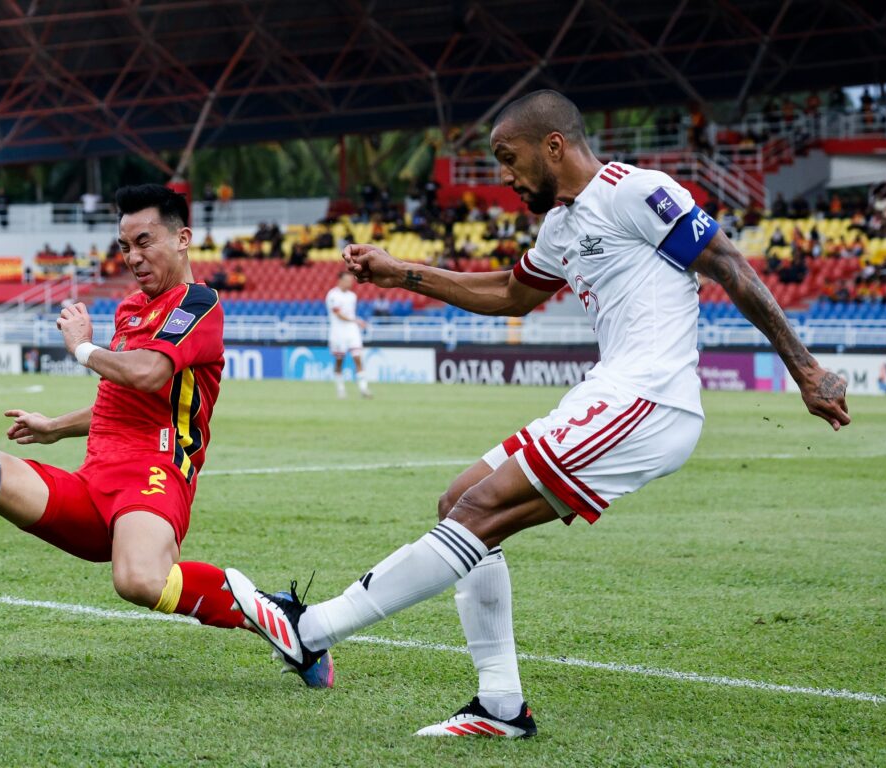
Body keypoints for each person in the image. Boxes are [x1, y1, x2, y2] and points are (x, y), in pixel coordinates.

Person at [222, 90, 849, 737]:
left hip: (649, 398)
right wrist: (400, 272)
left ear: (554, 145)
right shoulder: (560, 226)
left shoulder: (635, 191)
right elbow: (511, 293)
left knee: (479, 510)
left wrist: (804, 368)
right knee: (459, 501)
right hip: (607, 392)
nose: (504, 176)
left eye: (508, 158)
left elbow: (727, 263)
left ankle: (310, 629)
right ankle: (500, 706)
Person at [0, 183, 334, 689]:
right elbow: (120, 399)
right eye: (124, 246)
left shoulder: (199, 305)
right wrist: (54, 427)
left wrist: (81, 348)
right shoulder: (130, 309)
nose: (133, 256)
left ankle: (273, 614)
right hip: (95, 478)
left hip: (154, 475)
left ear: (182, 238)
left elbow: (149, 374)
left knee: (140, 581)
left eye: (145, 241)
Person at [324, 271, 371, 399]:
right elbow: (338, 314)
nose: (350, 283)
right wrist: (355, 320)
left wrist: (355, 322)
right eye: (347, 280)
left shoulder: (352, 296)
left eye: (351, 280)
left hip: (352, 331)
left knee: (358, 358)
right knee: (340, 361)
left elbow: (350, 314)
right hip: (338, 332)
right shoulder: (332, 295)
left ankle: (364, 388)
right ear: (340, 281)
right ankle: (340, 388)